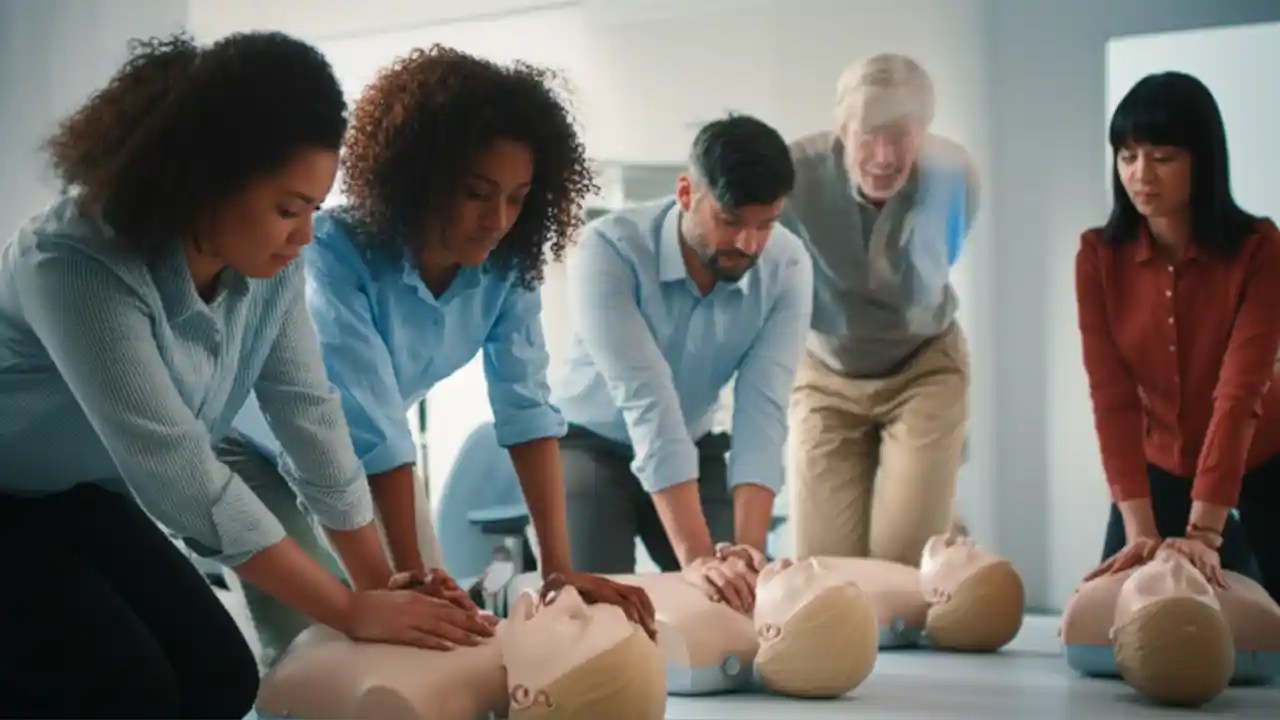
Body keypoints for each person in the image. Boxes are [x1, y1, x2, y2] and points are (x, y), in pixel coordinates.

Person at [0, 33, 490, 719]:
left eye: (315, 208)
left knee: (222, 677)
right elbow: (180, 474)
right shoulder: (73, 261)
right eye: (289, 208)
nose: (305, 235)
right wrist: (351, 610)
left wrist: (383, 585)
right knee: (124, 688)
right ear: (202, 178)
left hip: (75, 488)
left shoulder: (268, 266)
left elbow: (310, 415)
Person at [228, 45, 654, 664]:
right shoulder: (332, 255)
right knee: (308, 650)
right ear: (424, 181)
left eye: (517, 197)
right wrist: (397, 586)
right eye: (478, 193)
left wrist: (559, 572)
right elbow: (373, 425)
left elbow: (528, 411)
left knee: (437, 638)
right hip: (252, 448)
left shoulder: (508, 269)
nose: (498, 219)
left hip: (363, 458)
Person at [550, 113, 813, 613]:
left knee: (737, 600)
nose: (749, 244)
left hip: (692, 446)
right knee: (597, 611)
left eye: (766, 224)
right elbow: (648, 400)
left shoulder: (788, 266)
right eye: (732, 221)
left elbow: (763, 409)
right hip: (586, 446)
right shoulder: (607, 250)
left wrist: (747, 554)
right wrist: (696, 561)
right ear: (688, 193)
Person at [1077, 71, 1280, 604]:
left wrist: (1204, 533)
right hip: (1160, 464)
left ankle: (1231, 543)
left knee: (1260, 624)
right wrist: (1140, 529)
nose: (1141, 174)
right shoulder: (1097, 257)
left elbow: (1240, 392)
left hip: (1263, 456)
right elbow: (1112, 400)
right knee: (1112, 620)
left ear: (1202, 160)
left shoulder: (1259, 248)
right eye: (1127, 156)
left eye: (1162, 157)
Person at [781, 53, 979, 567]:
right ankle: (942, 521)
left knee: (898, 574)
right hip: (826, 374)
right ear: (842, 127)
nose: (885, 155)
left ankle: (935, 521)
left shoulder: (954, 176)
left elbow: (929, 278)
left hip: (922, 368)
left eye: (903, 134)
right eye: (869, 133)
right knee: (824, 575)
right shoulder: (792, 177)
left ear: (926, 131)